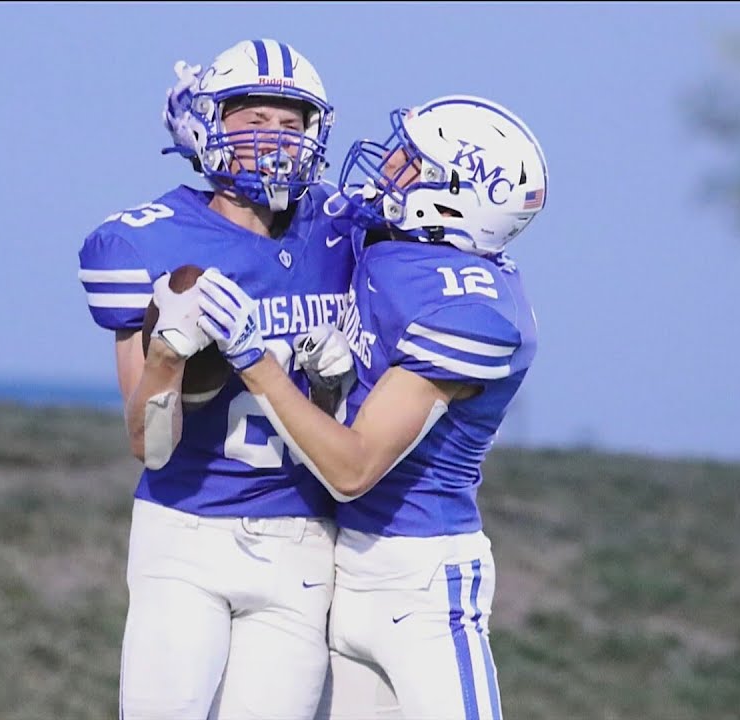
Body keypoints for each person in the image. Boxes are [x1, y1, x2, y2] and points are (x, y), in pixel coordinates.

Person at [180, 94, 548, 720]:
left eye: (412, 162)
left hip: (423, 581)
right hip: (343, 571)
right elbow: (279, 187)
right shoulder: (389, 238)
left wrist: (255, 357)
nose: (388, 167)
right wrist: (199, 125)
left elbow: (353, 470)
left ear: (458, 195)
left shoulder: (469, 309)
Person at [75, 38, 355, 720]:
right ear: (208, 125)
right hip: (187, 529)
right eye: (254, 121)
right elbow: (149, 443)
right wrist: (169, 355)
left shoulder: (344, 230)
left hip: (303, 535)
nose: (275, 142)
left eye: (291, 125)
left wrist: (333, 385)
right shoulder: (150, 243)